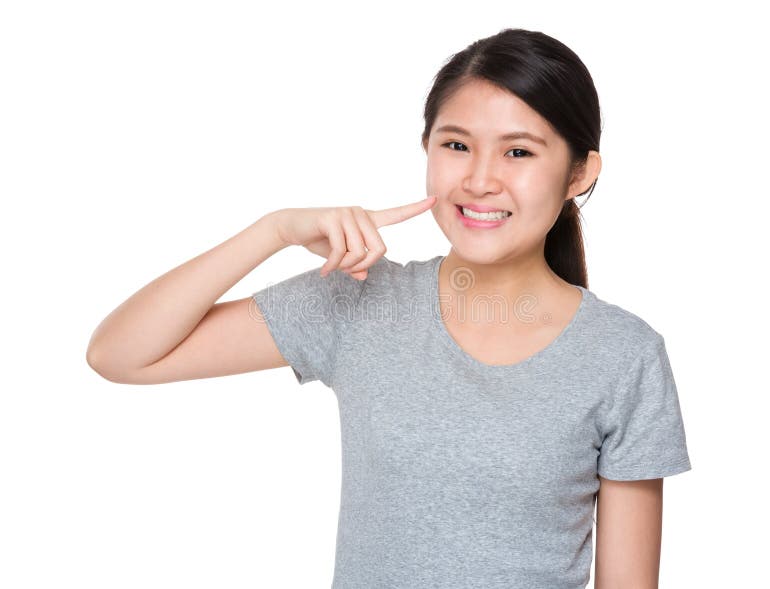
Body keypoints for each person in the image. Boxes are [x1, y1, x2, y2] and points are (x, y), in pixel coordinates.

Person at [87, 28, 691, 589]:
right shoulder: (358, 298)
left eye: (518, 153)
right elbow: (120, 354)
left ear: (579, 172)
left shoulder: (624, 355)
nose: (479, 180)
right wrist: (273, 231)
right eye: (457, 145)